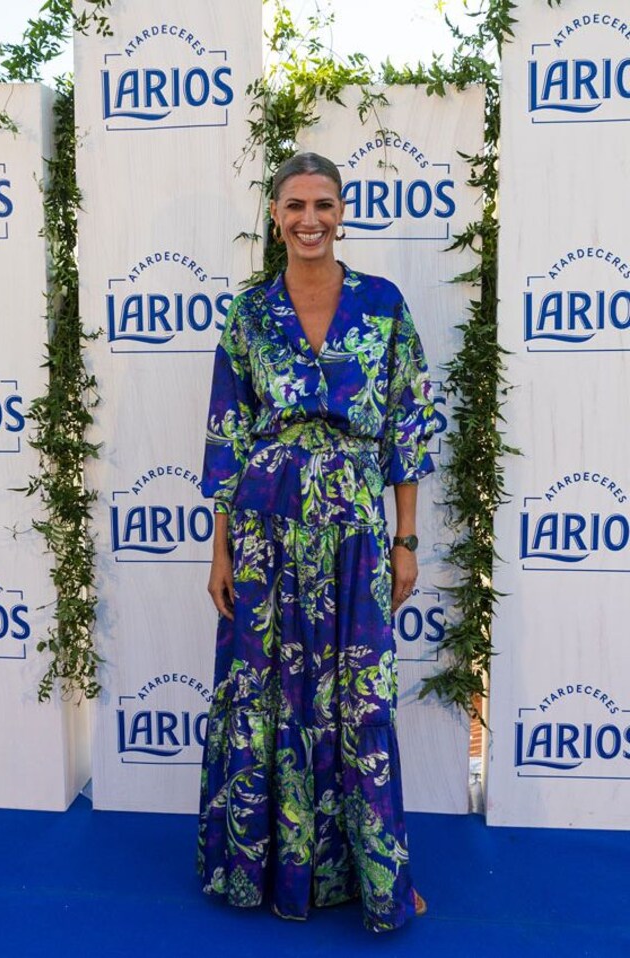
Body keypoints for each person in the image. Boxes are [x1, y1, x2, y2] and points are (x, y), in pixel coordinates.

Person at [197, 152, 435, 933]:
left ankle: (375, 873)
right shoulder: (249, 315)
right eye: (295, 205)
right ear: (274, 214)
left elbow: (405, 425)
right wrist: (220, 548)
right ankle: (266, 867)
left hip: (358, 528)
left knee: (358, 694)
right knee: (266, 693)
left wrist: (405, 539)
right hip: (266, 525)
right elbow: (228, 437)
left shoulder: (384, 305)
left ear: (342, 210)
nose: (310, 219)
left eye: (324, 204)